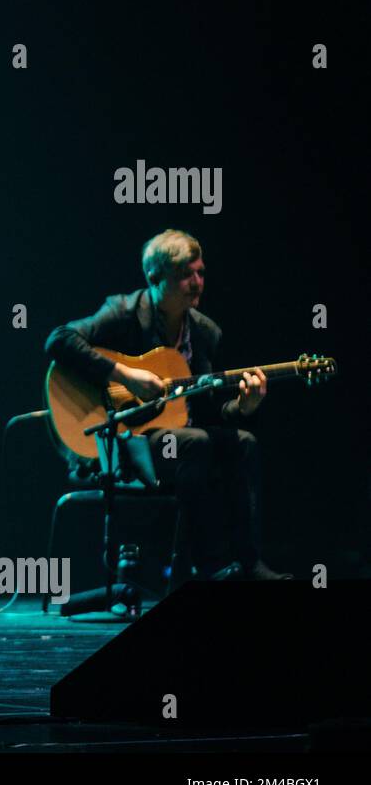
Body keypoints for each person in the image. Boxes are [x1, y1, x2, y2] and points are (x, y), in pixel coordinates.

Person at [44, 228, 290, 582]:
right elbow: (59, 339)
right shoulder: (124, 312)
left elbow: (207, 411)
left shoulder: (205, 332)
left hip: (174, 440)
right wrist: (125, 375)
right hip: (122, 442)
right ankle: (202, 565)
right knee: (196, 443)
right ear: (154, 277)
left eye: (200, 273)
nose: (197, 283)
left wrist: (243, 407)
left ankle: (248, 562)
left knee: (243, 443)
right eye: (185, 275)